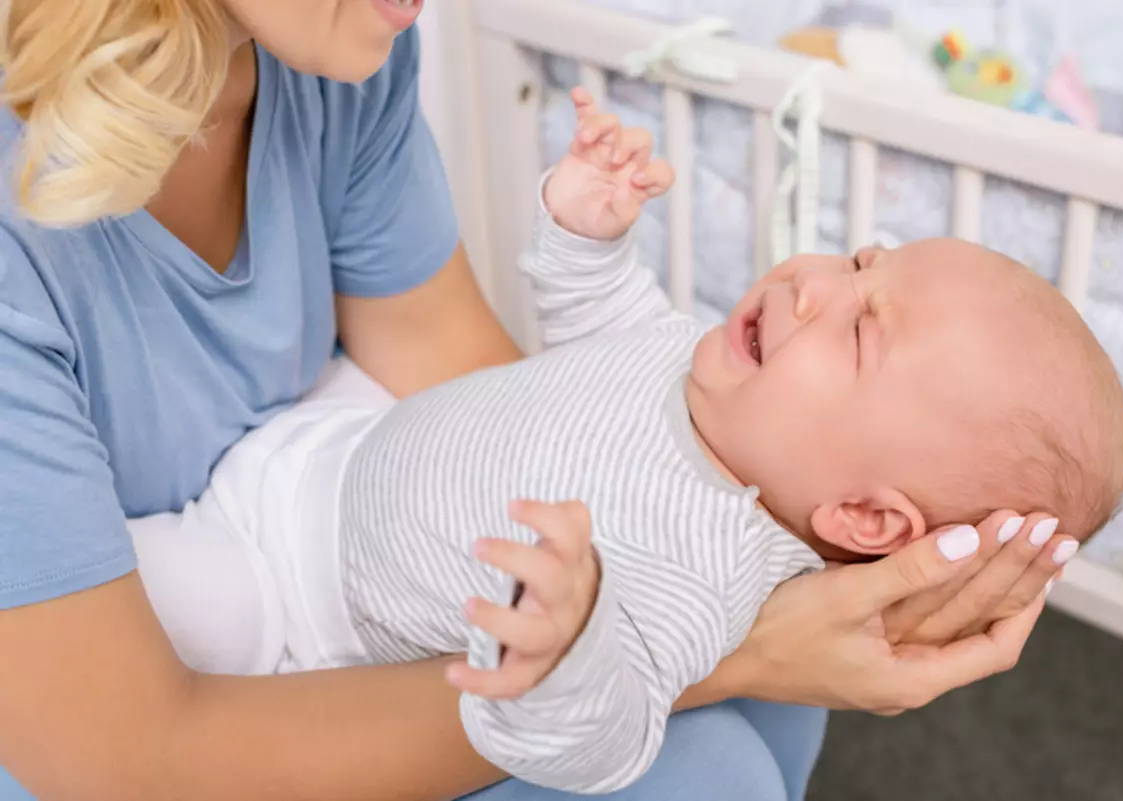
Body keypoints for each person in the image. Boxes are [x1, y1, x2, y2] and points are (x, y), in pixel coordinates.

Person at [0, 2, 1065, 800]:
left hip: (336, 553)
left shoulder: (337, 56)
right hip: (93, 715)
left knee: (761, 725)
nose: (817, 281)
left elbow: (501, 397)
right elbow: (119, 749)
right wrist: (724, 655)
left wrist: (724, 608)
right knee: (722, 753)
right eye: (862, 262)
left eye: (863, 329)